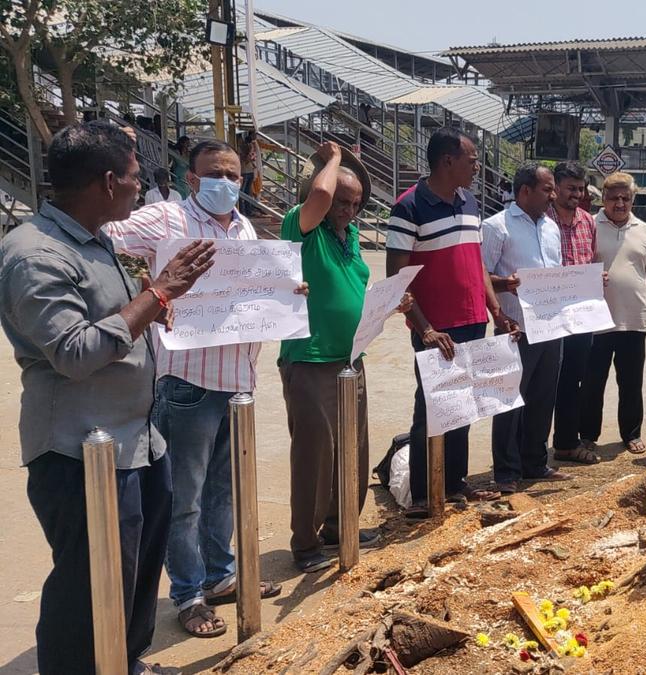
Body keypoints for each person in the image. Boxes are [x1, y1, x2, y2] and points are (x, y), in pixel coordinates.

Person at [0, 120, 215, 675]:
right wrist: (159, 292)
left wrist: (154, 303)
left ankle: (124, 662)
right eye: (135, 176)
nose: (141, 187)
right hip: (81, 451)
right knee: (86, 584)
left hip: (138, 441)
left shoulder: (96, 240)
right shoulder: (34, 254)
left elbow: (117, 320)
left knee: (135, 573)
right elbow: (73, 352)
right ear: (106, 181)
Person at [106, 138, 289, 636]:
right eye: (215, 173)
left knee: (223, 492)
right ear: (192, 178)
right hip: (188, 382)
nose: (226, 183)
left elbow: (251, 289)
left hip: (238, 382)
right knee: (182, 498)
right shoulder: (167, 220)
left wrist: (285, 294)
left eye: (234, 175)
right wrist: (145, 287)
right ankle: (188, 595)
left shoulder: (247, 227)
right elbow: (106, 230)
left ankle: (221, 575)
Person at [279, 142, 407, 572]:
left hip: (351, 357)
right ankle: (306, 543)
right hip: (311, 359)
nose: (348, 210)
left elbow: (355, 294)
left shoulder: (349, 235)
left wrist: (388, 304)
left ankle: (341, 526)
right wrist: (334, 158)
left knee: (353, 449)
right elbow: (318, 199)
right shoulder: (301, 228)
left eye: (355, 204)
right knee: (315, 455)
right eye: (341, 201)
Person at [387, 127, 514, 516]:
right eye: (472, 159)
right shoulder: (408, 208)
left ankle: (455, 483)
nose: (477, 166)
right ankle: (425, 494)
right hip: (436, 330)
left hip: (473, 319)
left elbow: (475, 262)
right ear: (447, 161)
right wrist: (424, 328)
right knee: (433, 409)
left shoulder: (469, 202)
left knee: (465, 406)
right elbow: (397, 280)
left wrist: (495, 310)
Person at [482, 164, 574, 493]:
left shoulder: (551, 227)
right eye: (548, 189)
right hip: (515, 328)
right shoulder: (496, 227)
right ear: (524, 191)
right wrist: (506, 285)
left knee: (542, 398)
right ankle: (506, 471)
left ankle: (534, 461)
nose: (554, 196)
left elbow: (557, 271)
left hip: (551, 328)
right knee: (508, 401)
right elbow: (481, 276)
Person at [579, 172, 646, 455]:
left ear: (633, 199)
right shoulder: (588, 225)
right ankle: (587, 435)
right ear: (604, 198)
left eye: (626, 198)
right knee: (591, 382)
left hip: (634, 320)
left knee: (631, 382)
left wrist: (627, 288)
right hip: (595, 321)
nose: (620, 203)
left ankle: (631, 433)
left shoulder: (645, 230)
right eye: (614, 197)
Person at [548, 161, 600, 465]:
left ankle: (566, 443)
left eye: (580, 189)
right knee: (545, 381)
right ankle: (532, 447)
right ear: (555, 188)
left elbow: (590, 257)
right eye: (571, 189)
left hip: (581, 315)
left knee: (573, 379)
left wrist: (596, 278)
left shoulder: (587, 221)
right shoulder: (543, 220)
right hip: (550, 315)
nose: (576, 195)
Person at [238, 130, 259, 215]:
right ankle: (242, 211)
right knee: (242, 193)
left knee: (248, 193)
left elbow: (251, 157)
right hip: (244, 171)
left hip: (249, 170)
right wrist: (249, 156)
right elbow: (245, 159)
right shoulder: (242, 146)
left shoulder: (251, 145)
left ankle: (248, 211)